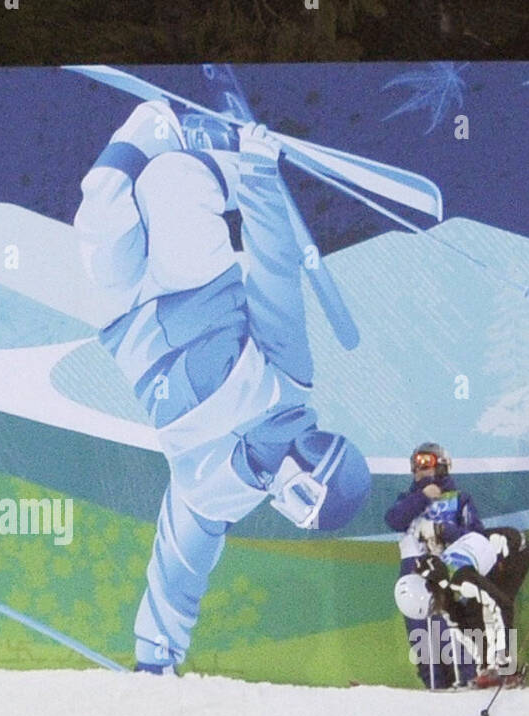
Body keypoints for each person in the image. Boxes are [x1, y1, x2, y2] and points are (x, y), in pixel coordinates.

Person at [73, 101, 371, 672]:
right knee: (170, 181)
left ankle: (153, 125)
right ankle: (216, 152)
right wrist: (259, 178)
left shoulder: (217, 493)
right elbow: (275, 276)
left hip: (125, 320)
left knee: (104, 199)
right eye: (306, 500)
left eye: (298, 517)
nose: (286, 504)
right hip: (197, 283)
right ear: (317, 462)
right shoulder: (288, 381)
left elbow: (179, 566)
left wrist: (156, 657)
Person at [385, 443, 484, 688]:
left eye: (425, 463)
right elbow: (394, 520)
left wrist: (443, 530)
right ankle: (435, 690)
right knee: (422, 640)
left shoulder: (460, 499)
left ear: (441, 465)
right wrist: (421, 497)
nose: (418, 470)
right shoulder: (408, 499)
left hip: (448, 572)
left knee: (453, 634)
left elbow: (477, 537)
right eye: (415, 464)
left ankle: (467, 683)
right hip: (414, 573)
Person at [393, 525, 529, 687]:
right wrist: (481, 668)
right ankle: (488, 667)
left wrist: (504, 659)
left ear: (432, 593)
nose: (435, 611)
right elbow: (460, 627)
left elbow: (503, 606)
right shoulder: (440, 589)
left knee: (487, 611)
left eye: (432, 607)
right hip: (484, 560)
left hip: (514, 552)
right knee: (469, 615)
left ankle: (506, 669)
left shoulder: (461, 578)